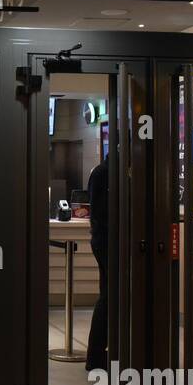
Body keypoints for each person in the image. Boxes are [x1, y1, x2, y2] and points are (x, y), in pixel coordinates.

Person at [85, 155, 110, 372]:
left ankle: (98, 354)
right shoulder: (105, 173)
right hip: (108, 242)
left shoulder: (99, 172)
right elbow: (101, 212)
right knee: (110, 297)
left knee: (108, 296)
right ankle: (96, 354)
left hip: (102, 240)